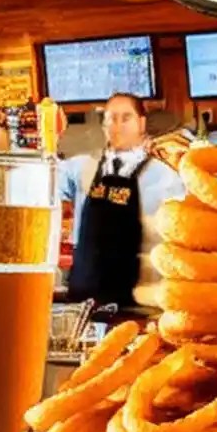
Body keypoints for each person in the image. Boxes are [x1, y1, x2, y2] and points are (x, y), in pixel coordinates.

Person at [59, 93, 186, 310]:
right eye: (111, 118)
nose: (117, 125)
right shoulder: (82, 168)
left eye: (126, 118)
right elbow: (45, 181)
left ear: (141, 123)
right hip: (81, 306)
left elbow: (178, 242)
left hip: (136, 307)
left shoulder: (164, 177)